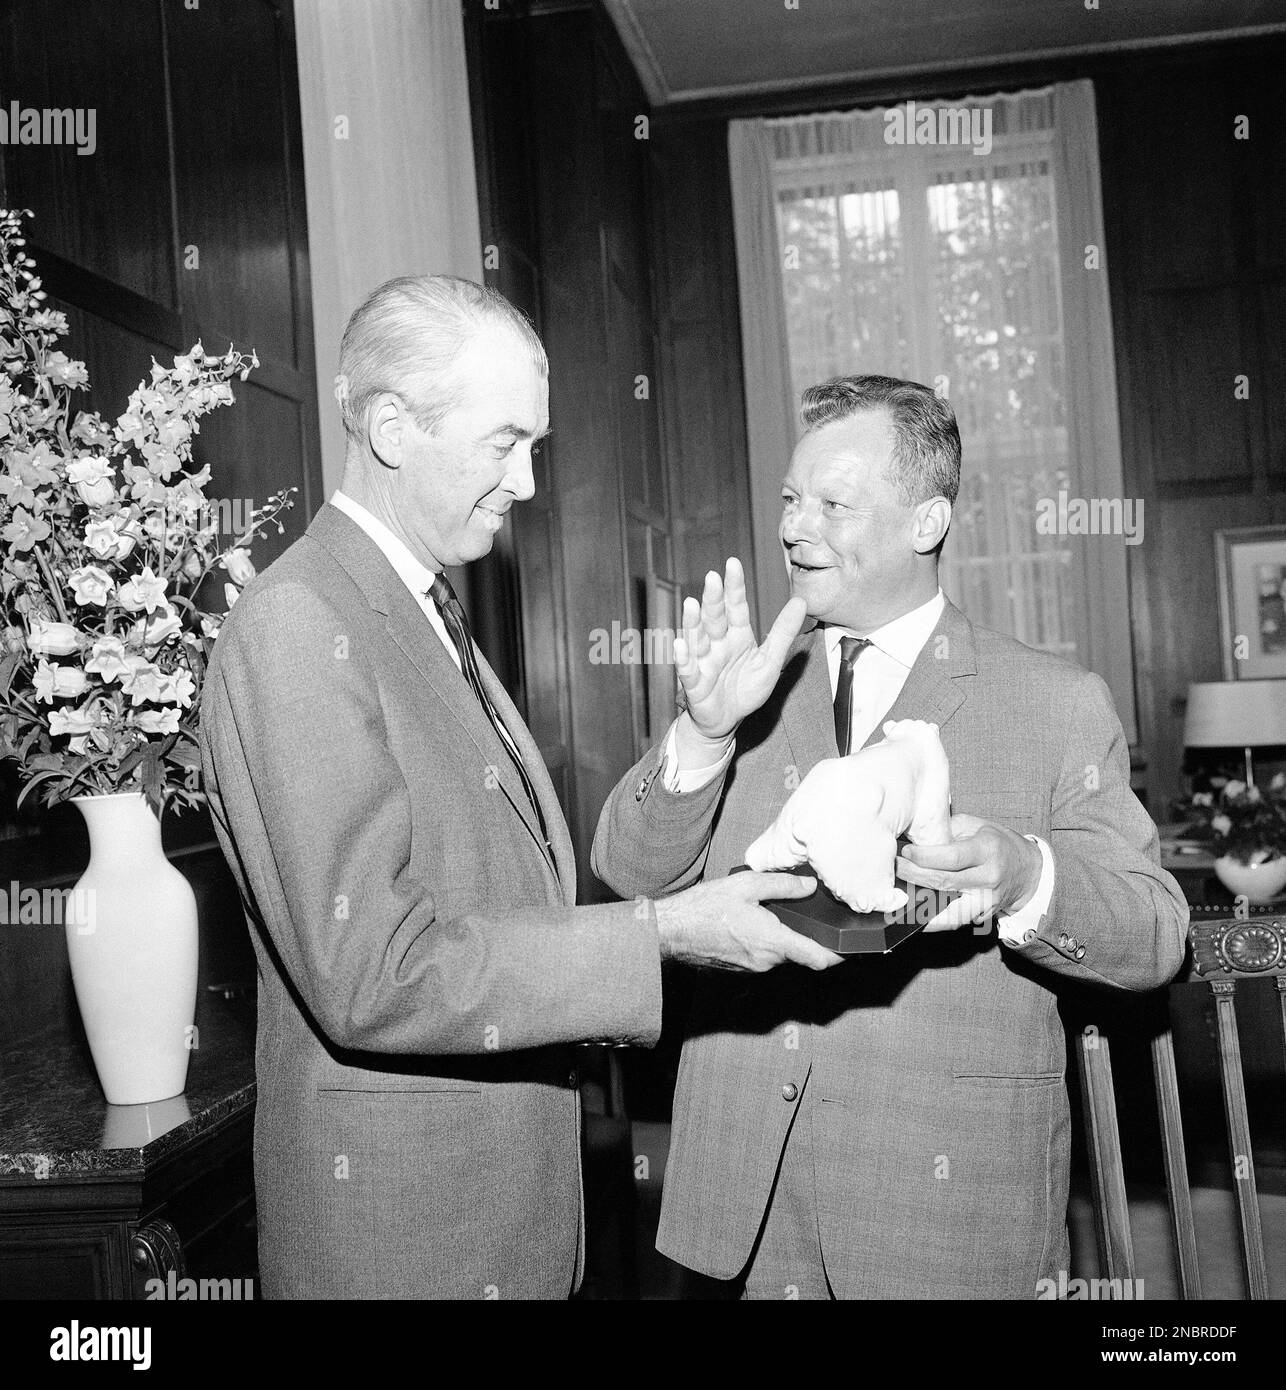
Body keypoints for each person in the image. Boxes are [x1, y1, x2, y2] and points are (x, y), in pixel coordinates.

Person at [198, 275, 839, 1299]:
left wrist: (701, 733)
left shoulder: (419, 611)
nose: (529, 483)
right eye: (505, 444)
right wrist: (659, 934)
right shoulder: (295, 624)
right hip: (404, 1248)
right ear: (394, 428)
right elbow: (375, 974)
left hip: (493, 1227)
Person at [593, 374, 1188, 1299]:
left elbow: (1155, 936)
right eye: (791, 500)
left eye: (834, 503)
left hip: (945, 1211)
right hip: (743, 1214)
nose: (795, 527)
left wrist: (1027, 875)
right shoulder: (746, 685)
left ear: (926, 522)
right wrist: (703, 732)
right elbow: (628, 876)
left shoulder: (1054, 702)